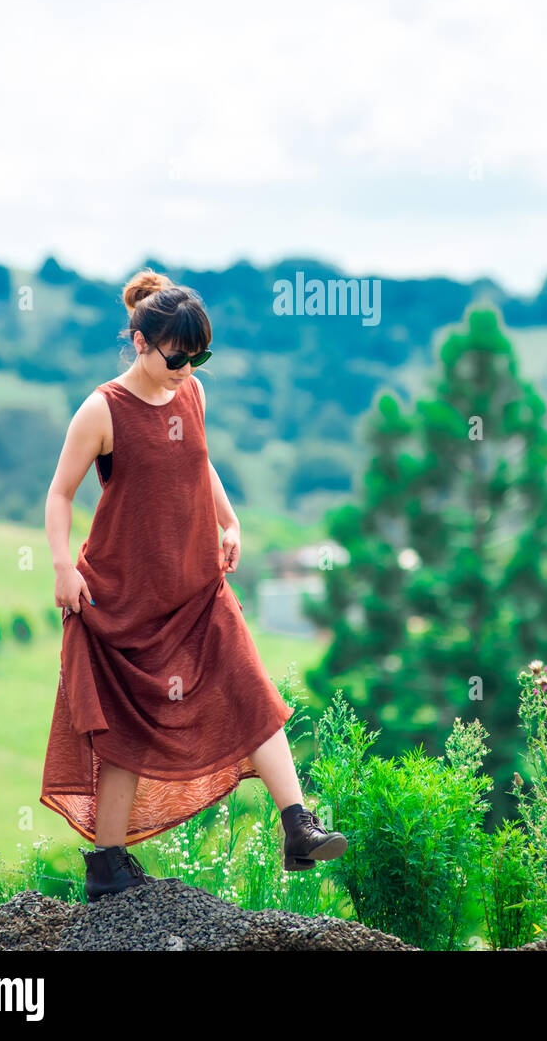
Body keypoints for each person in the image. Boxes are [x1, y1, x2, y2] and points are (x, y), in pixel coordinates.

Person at [40, 268, 347, 901]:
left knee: (250, 689)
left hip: (196, 587)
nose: (188, 368)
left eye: (200, 356)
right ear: (138, 342)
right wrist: (61, 565)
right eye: (178, 356)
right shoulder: (103, 410)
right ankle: (107, 866)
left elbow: (199, 465)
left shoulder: (193, 395)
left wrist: (229, 521)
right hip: (122, 599)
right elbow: (60, 493)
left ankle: (299, 826)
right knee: (123, 732)